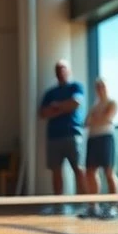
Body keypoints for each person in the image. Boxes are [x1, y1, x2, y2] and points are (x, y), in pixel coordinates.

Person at [39, 59, 86, 212]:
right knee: (56, 170)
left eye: (64, 68)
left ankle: (83, 204)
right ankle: (58, 205)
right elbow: (43, 113)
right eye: (58, 69)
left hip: (72, 134)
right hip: (54, 137)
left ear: (69, 70)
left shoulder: (76, 87)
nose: (61, 71)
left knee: (78, 169)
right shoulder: (50, 93)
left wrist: (56, 107)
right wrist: (64, 108)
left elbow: (76, 103)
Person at [80, 78, 118, 219]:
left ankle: (113, 207)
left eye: (102, 86)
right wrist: (97, 118)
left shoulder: (112, 103)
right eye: (97, 86)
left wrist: (96, 119)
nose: (100, 88)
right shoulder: (94, 107)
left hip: (106, 138)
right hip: (93, 139)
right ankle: (93, 206)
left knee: (109, 172)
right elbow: (86, 123)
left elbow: (107, 118)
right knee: (90, 172)